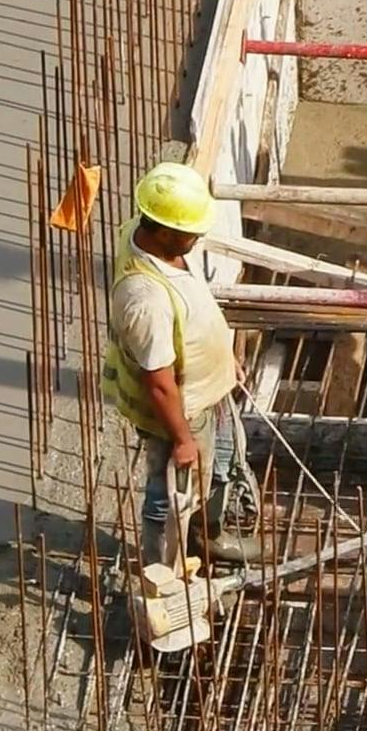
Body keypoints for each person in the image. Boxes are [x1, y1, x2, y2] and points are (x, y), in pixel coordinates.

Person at [96, 162, 258, 567]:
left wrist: (224, 362)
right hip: (182, 410)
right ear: (164, 232)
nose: (198, 236)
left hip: (209, 392)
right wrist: (183, 439)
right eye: (191, 231)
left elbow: (192, 309)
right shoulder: (144, 299)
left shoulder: (147, 232)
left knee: (219, 465)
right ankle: (161, 573)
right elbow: (160, 383)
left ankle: (207, 538)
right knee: (172, 492)